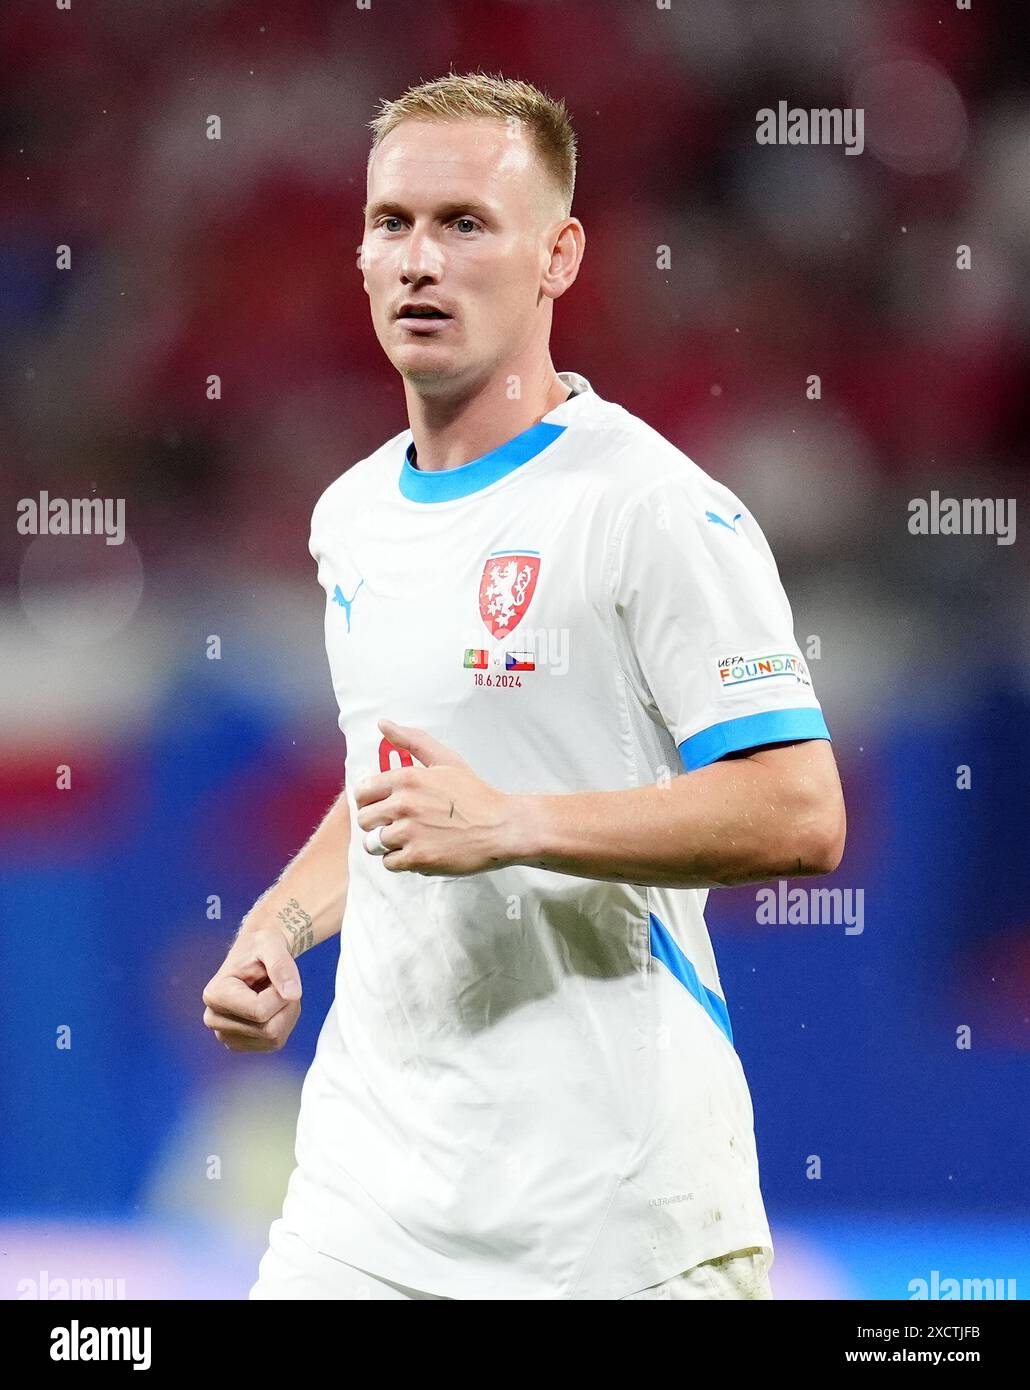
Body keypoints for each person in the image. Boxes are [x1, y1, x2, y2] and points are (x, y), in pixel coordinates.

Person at [203, 72, 846, 1301]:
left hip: (612, 1223)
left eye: (463, 224)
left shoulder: (653, 509)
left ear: (558, 256)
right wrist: (278, 928)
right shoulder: (352, 515)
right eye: (391, 223)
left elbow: (801, 813)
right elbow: (391, 788)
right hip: (364, 1210)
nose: (418, 261)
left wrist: (518, 824)